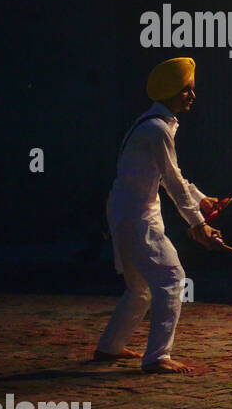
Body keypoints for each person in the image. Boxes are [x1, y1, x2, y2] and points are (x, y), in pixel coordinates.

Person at [94, 57, 223, 374]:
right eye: (186, 90)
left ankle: (109, 347)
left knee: (139, 289)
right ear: (169, 92)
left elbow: (171, 177)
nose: (191, 96)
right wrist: (199, 224)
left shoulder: (153, 125)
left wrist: (203, 200)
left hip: (125, 211)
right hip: (138, 215)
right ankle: (157, 357)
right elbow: (173, 182)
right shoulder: (156, 130)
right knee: (171, 278)